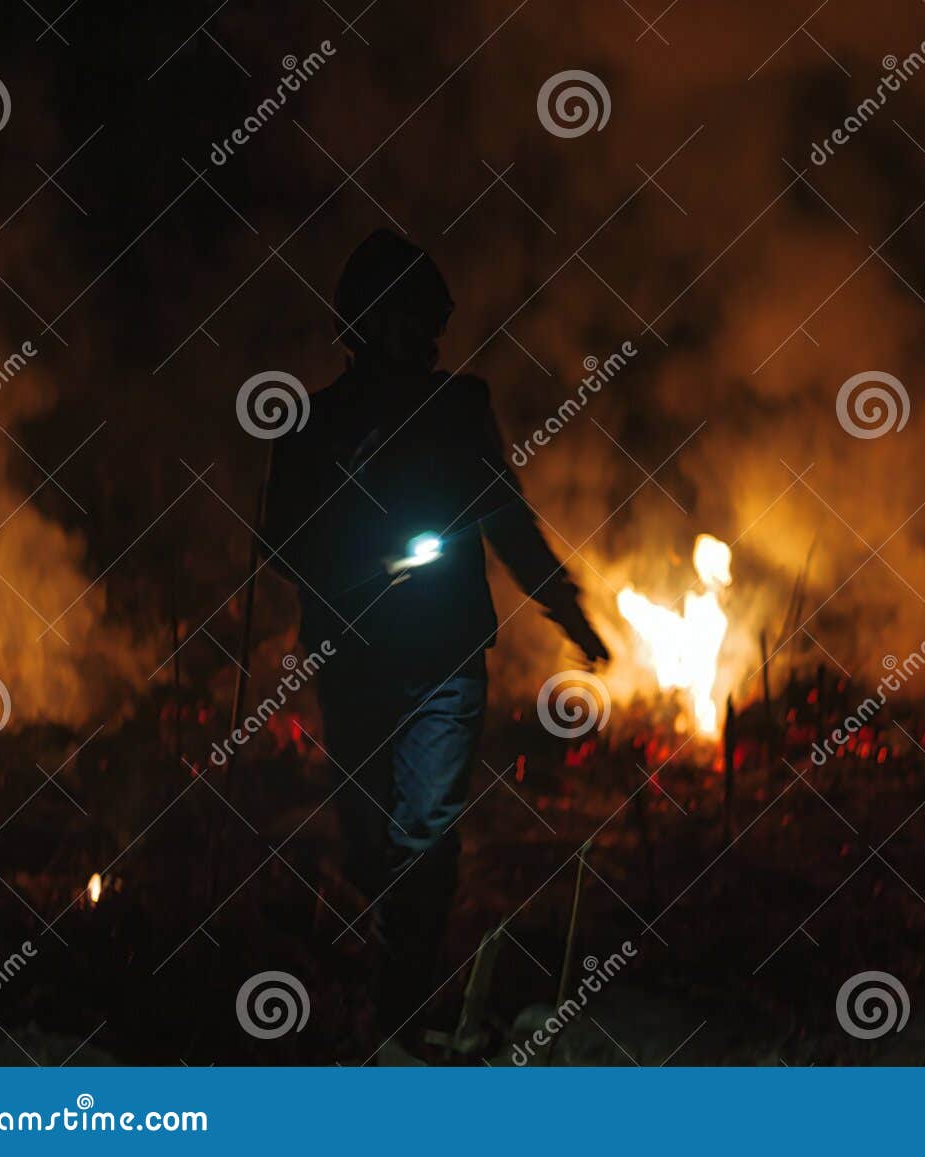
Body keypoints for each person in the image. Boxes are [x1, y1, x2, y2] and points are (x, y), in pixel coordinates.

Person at [262, 229, 609, 1063]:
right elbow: (280, 539)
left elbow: (505, 516)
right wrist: (356, 561)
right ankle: (388, 986)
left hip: (445, 660)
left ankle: (398, 1021)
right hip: (355, 662)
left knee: (423, 835)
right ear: (363, 324)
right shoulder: (316, 422)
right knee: (370, 843)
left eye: (428, 318)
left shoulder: (459, 408)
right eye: (403, 317)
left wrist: (567, 609)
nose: (421, 334)